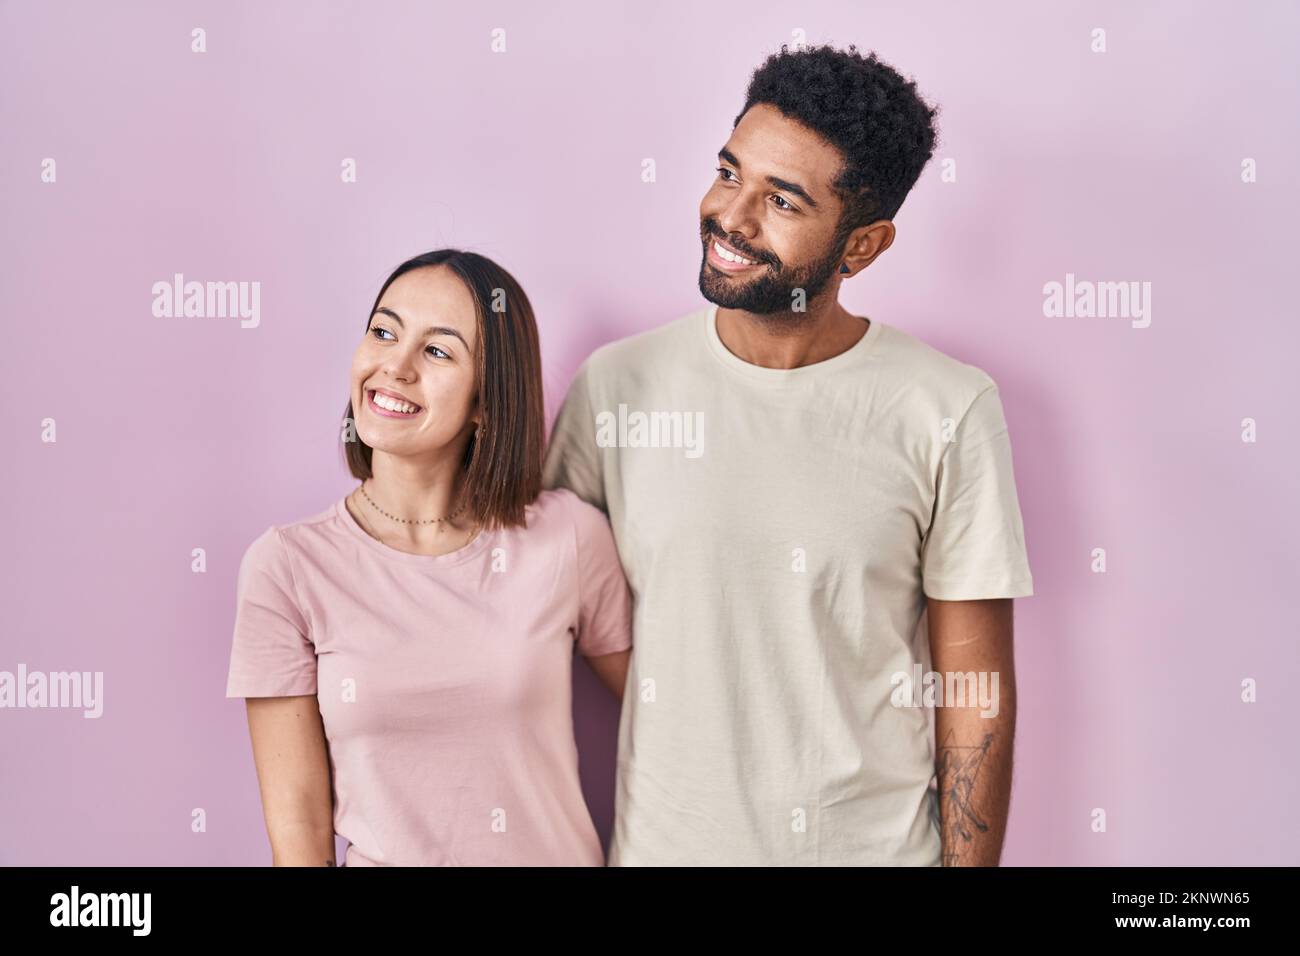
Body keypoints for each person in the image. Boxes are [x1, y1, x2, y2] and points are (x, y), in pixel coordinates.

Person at [543, 45, 1034, 866]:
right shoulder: (616, 387)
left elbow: (974, 694)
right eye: (728, 173)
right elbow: (544, 600)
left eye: (781, 200)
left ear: (862, 245)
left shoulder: (947, 409)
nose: (731, 218)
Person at [226, 249, 633, 866]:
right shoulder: (286, 567)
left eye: (438, 351)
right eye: (384, 332)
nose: (395, 366)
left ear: (486, 400)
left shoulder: (567, 537)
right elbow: (300, 834)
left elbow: (666, 716)